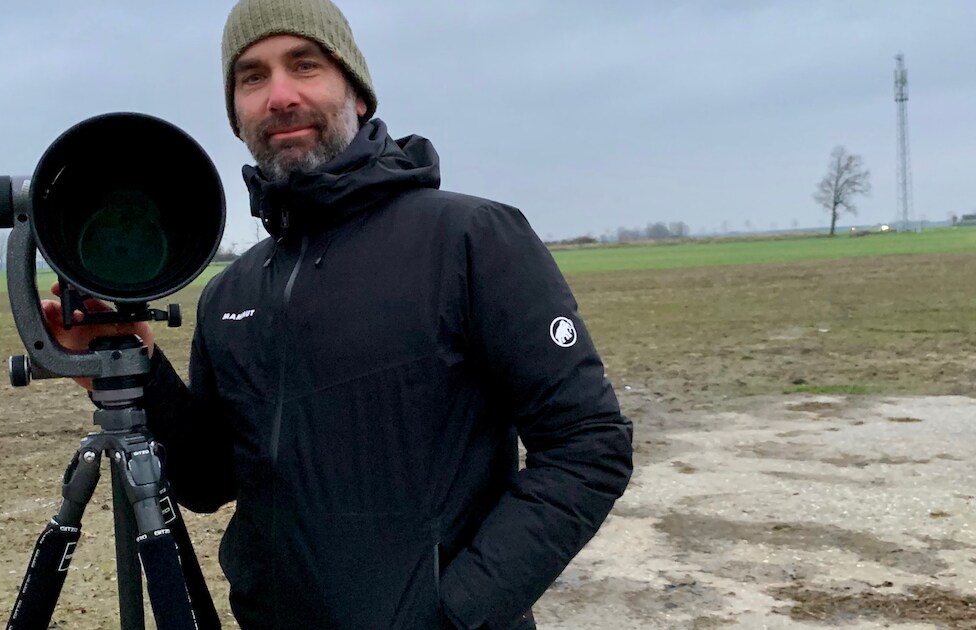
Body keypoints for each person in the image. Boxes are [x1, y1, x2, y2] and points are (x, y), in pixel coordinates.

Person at [45, 0, 633, 627]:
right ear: (237, 114)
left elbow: (588, 445)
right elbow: (211, 479)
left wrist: (455, 612)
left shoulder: (471, 240)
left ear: (357, 93)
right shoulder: (233, 292)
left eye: (305, 65)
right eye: (252, 76)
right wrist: (140, 371)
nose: (280, 95)